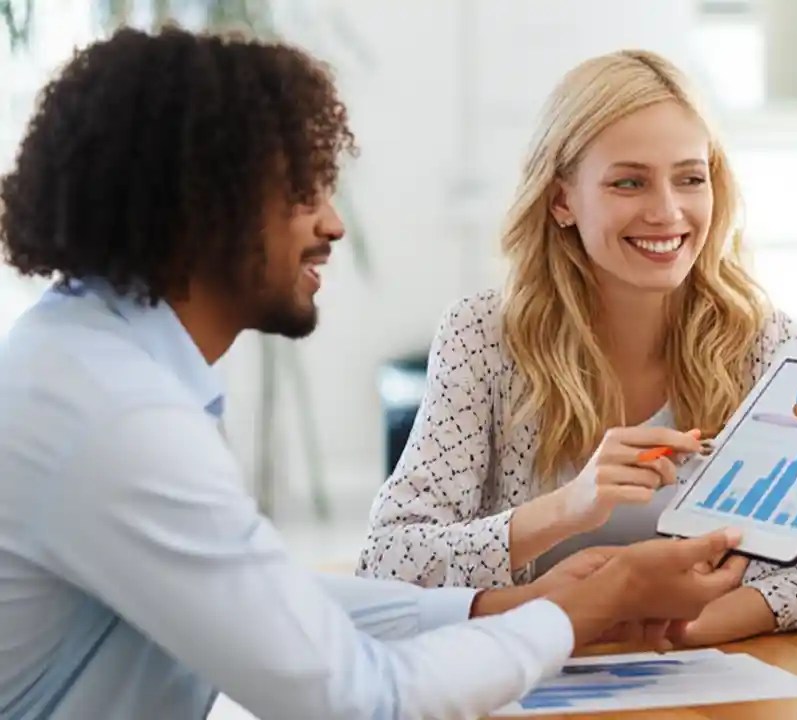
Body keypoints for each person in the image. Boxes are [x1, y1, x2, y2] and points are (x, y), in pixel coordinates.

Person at [0, 27, 750, 720]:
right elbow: (360, 701)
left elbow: (276, 605)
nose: (333, 225)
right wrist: (579, 611)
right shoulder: (121, 421)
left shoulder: (90, 366)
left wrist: (495, 609)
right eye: (301, 194)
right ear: (198, 211)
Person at [357, 49, 797, 647]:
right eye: (629, 182)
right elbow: (389, 561)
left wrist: (674, 626)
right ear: (562, 200)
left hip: (699, 683)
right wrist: (569, 508)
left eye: (690, 178)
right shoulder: (484, 336)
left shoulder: (762, 343)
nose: (667, 212)